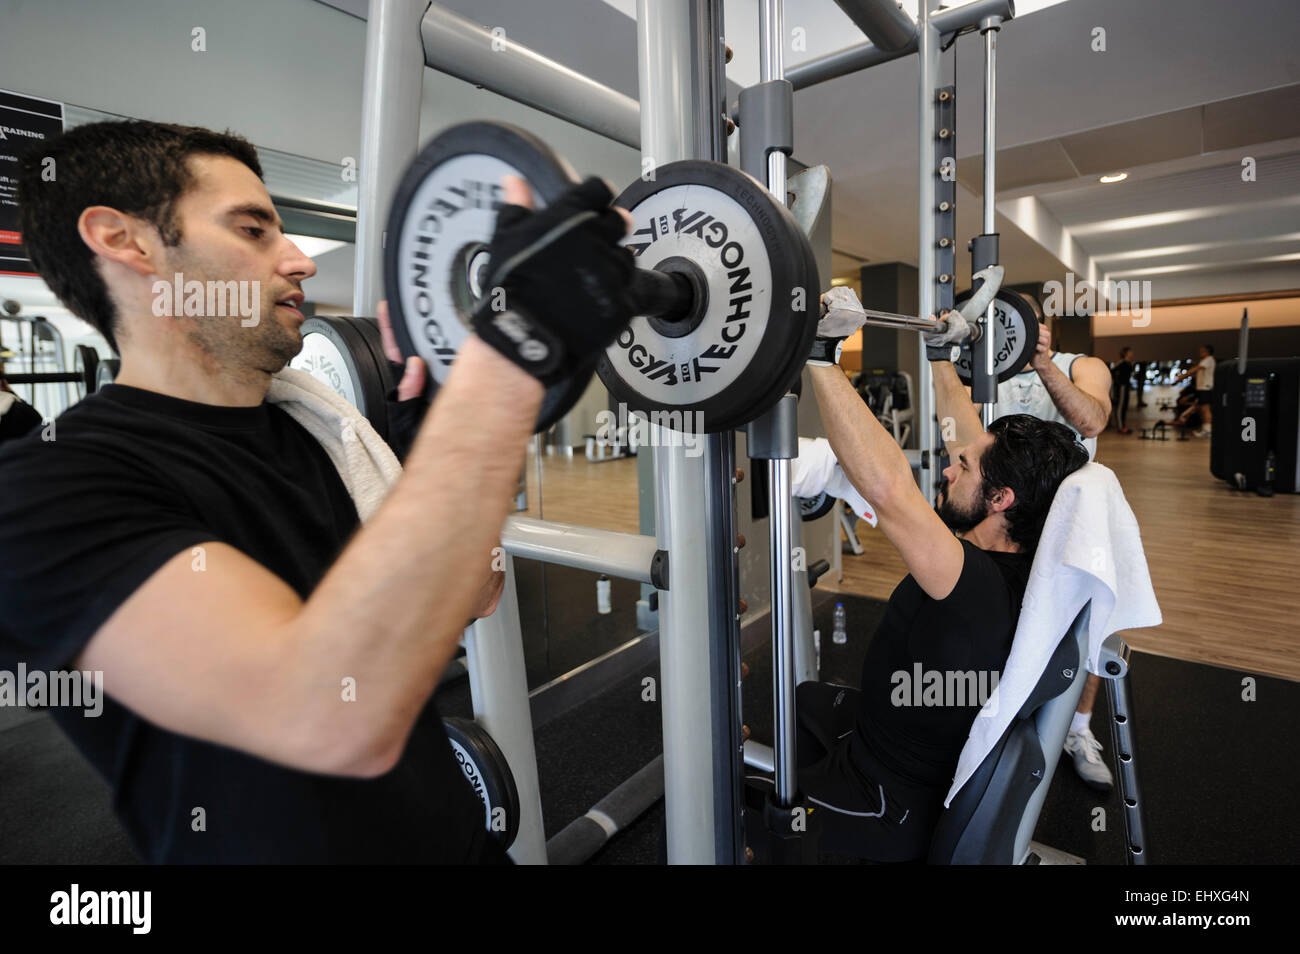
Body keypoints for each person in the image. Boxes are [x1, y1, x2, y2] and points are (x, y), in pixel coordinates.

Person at [0, 120, 637, 863]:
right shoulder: (42, 492)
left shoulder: (319, 423)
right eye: (253, 229)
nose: (299, 261)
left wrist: (441, 432)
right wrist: (510, 361)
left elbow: (478, 590)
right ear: (126, 241)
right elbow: (326, 712)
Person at [795, 289, 1089, 862]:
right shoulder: (1016, 552)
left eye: (967, 468)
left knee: (735, 817)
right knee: (804, 701)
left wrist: (820, 355)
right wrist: (937, 355)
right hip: (898, 747)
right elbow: (966, 436)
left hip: (881, 796)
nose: (950, 463)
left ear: (1000, 499)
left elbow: (889, 489)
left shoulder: (974, 586)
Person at [927, 298, 1117, 792]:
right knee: (997, 625)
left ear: (1043, 325)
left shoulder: (1083, 366)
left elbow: (1092, 421)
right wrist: (942, 356)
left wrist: (1040, 361)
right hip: (1005, 522)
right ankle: (990, 723)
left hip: (1069, 524)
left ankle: (1077, 729)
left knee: (1083, 632)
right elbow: (957, 435)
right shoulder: (986, 373)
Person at [1170, 344, 1216, 438]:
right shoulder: (1206, 361)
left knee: (1205, 409)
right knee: (1200, 408)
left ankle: (1208, 430)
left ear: (1206, 351)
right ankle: (1205, 428)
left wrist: (1181, 377)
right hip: (1203, 388)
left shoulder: (1208, 360)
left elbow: (1195, 370)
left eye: (1202, 351)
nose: (1200, 353)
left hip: (1205, 388)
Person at [1110, 347, 1135, 434]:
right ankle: (1120, 427)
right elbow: (1112, 372)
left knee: (1124, 407)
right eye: (1130, 352)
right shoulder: (1121, 363)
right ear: (1125, 353)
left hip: (1126, 387)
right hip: (1121, 387)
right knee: (1120, 407)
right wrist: (1118, 383)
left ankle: (1123, 426)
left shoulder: (1129, 363)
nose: (1132, 353)